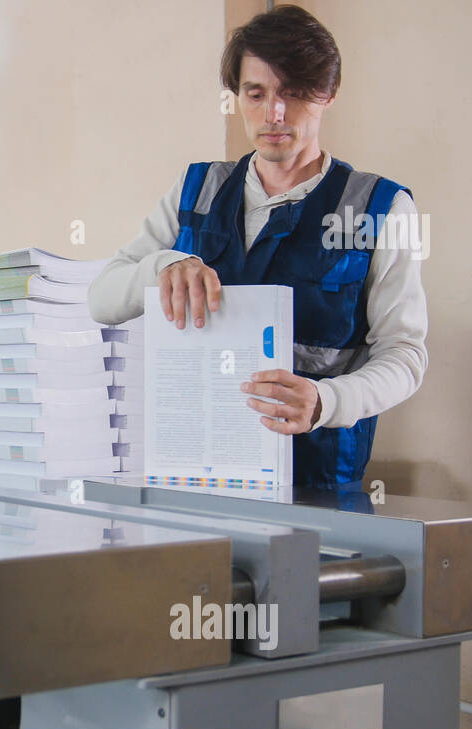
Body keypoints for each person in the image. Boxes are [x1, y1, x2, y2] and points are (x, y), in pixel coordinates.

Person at [89, 4, 428, 490]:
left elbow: (405, 355)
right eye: (256, 93)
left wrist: (325, 401)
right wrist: (165, 265)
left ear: (328, 94)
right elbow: (100, 299)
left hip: (318, 484)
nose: (273, 114)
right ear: (236, 97)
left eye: (293, 94)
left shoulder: (379, 208)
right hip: (195, 472)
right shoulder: (196, 191)